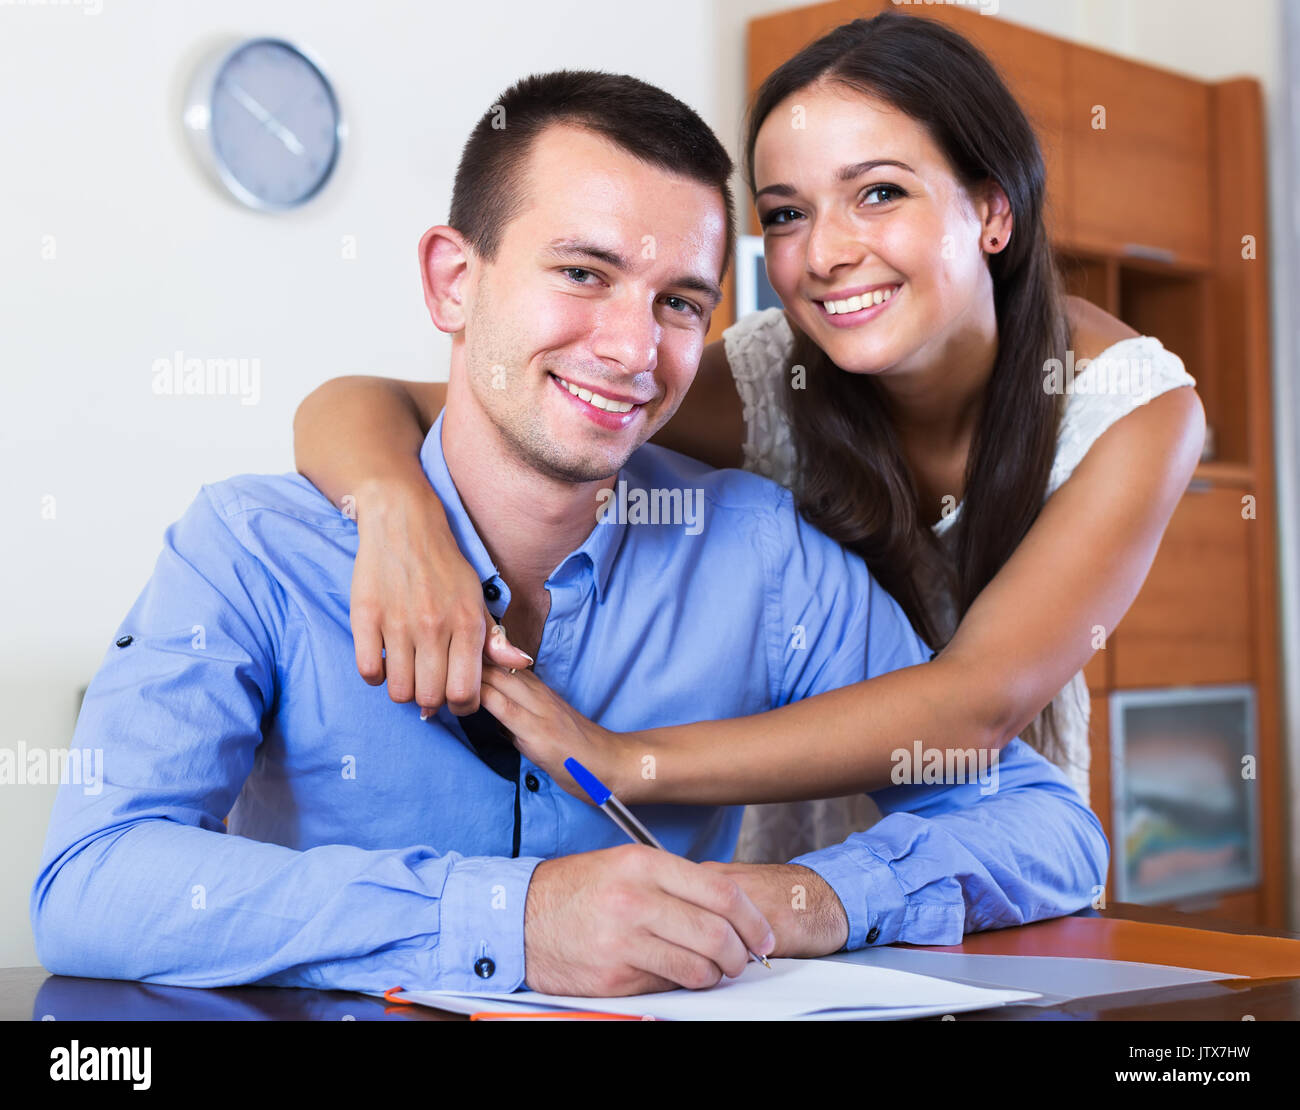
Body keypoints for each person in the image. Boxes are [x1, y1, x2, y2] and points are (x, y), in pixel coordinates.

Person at [33, 68, 1105, 998]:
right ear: (454, 281)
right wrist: (517, 920)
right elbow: (92, 883)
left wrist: (803, 898)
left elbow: (1046, 829)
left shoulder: (760, 557)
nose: (633, 349)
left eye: (681, 303)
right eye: (583, 273)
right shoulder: (254, 547)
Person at [293, 13, 1204, 861]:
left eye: (878, 192)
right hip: (783, 798)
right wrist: (398, 518)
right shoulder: (774, 372)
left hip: (966, 802)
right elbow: (376, 400)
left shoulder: (1124, 403)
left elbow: (977, 706)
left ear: (993, 212)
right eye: (785, 214)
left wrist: (625, 762)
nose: (825, 252)